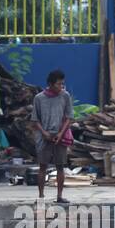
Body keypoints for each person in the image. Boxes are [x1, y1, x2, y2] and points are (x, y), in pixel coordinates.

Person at [32, 69, 73, 203]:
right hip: (44, 136)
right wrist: (44, 133)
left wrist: (60, 134)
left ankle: (59, 196)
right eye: (58, 84)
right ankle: (41, 196)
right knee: (43, 166)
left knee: (60, 166)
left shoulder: (65, 96)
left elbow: (69, 117)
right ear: (50, 84)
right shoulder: (39, 98)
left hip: (60, 135)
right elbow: (35, 120)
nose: (61, 86)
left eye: (62, 83)